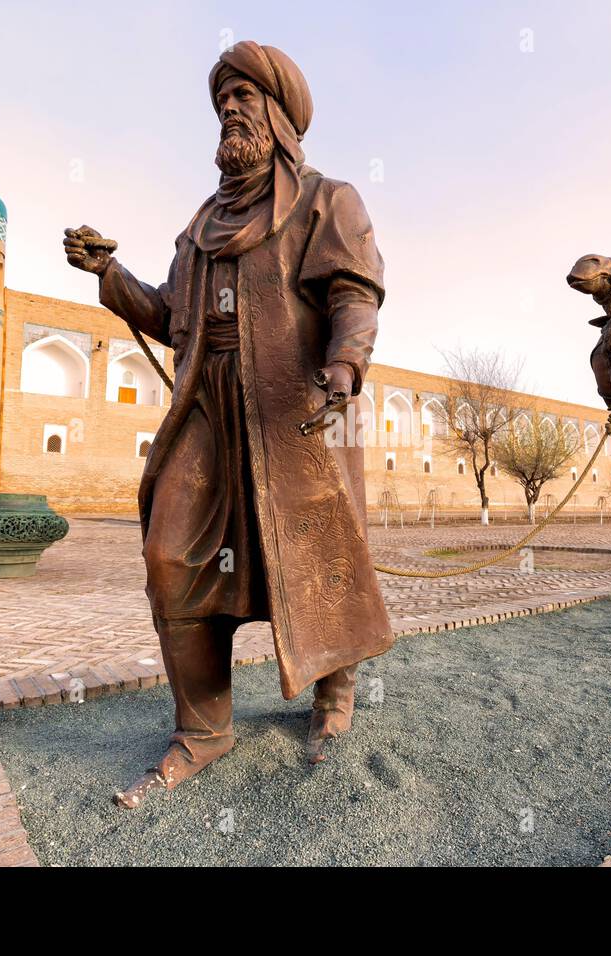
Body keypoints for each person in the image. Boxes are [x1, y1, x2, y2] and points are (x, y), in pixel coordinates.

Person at [64, 41, 392, 807]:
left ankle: (333, 694)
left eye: (245, 96)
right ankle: (202, 728)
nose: (231, 109)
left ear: (279, 115)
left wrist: (343, 368)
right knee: (170, 554)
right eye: (223, 101)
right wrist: (109, 275)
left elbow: (356, 293)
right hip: (206, 405)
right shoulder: (204, 224)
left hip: (295, 410)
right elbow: (168, 315)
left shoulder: (326, 200)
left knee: (318, 549)